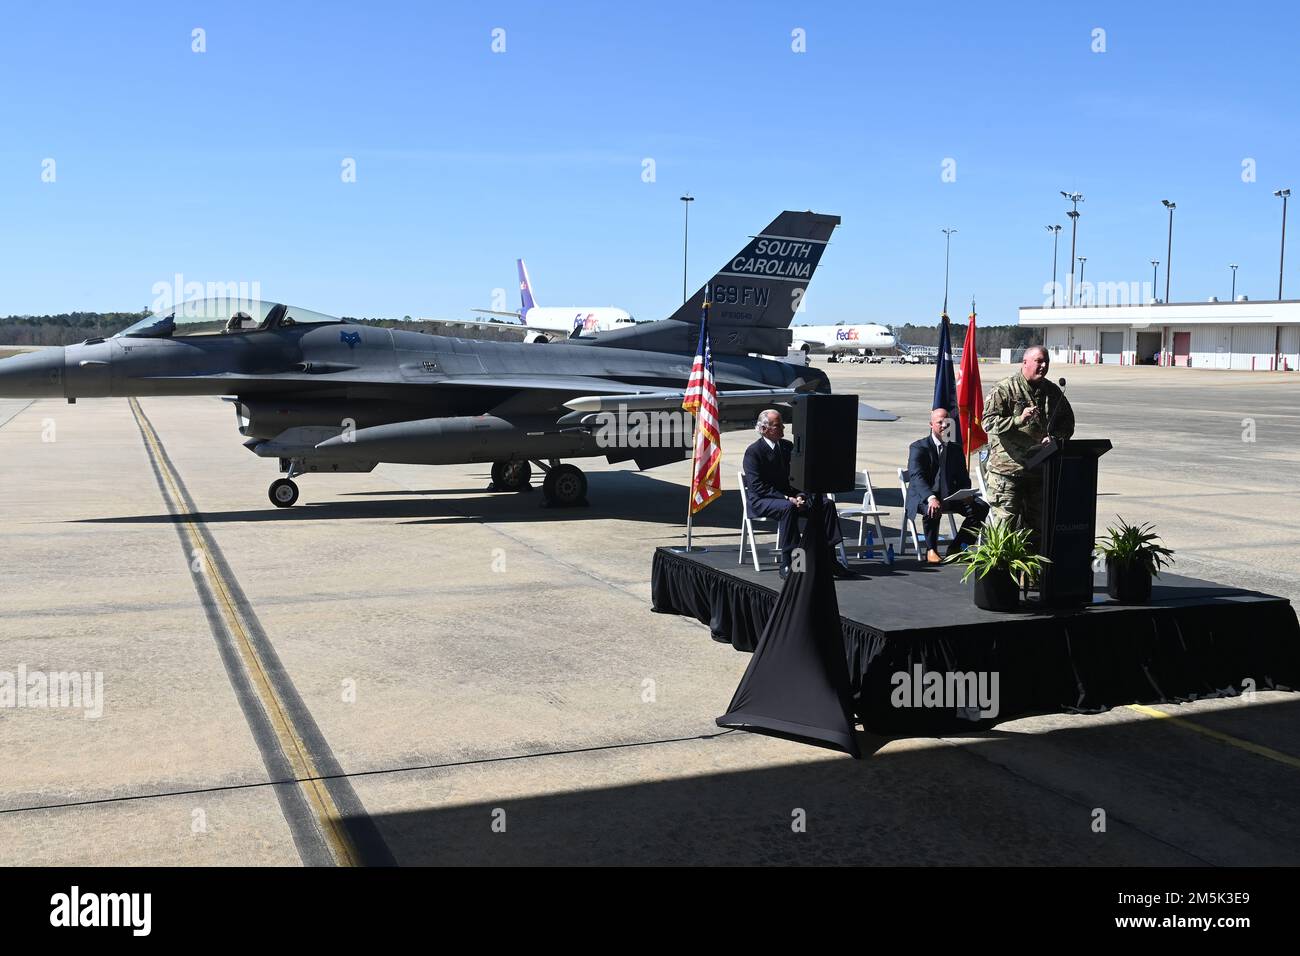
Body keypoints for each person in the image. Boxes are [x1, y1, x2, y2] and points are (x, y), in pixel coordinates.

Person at [983, 345, 1075, 543]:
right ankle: (1001, 574)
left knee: (1036, 531)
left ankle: (1031, 574)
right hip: (1007, 472)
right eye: (1039, 361)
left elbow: (1067, 423)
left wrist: (1056, 438)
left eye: (1046, 362)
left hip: (1039, 471)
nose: (1043, 366)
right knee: (1003, 531)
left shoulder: (1052, 391)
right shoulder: (1005, 389)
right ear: (1025, 362)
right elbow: (987, 423)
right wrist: (1017, 420)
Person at [742, 409, 849, 579]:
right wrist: (787, 498)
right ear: (764, 429)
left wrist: (802, 495)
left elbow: (799, 476)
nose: (783, 428)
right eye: (778, 425)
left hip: (791, 497)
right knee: (788, 508)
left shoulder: (787, 447)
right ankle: (791, 563)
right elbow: (757, 486)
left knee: (826, 504)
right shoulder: (754, 452)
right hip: (763, 500)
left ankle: (829, 558)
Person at [905, 408, 990, 563]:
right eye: (940, 422)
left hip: (949, 495)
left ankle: (957, 547)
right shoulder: (919, 447)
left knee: (981, 507)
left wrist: (966, 494)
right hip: (924, 496)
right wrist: (930, 497)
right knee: (933, 508)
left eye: (947, 422)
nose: (944, 425)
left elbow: (963, 477)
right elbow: (917, 477)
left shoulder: (955, 449)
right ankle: (931, 550)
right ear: (931, 424)